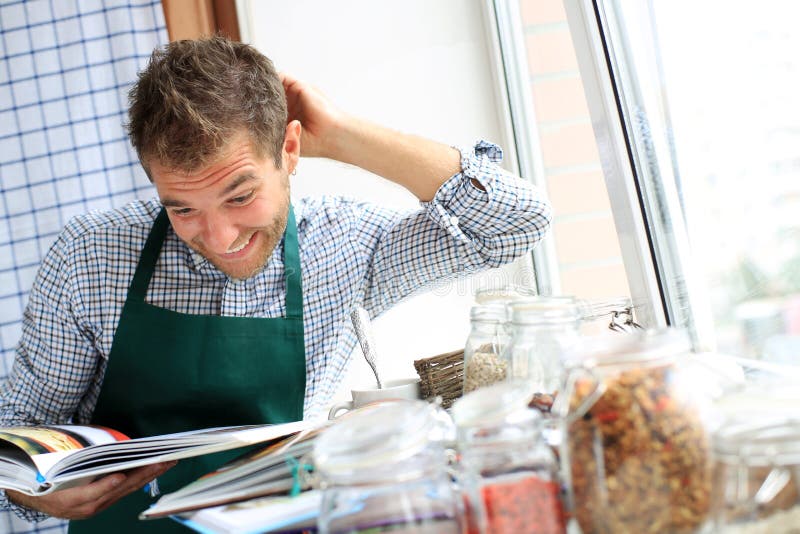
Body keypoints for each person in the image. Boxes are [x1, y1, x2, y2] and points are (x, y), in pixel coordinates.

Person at [0, 36, 552, 531]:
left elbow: (515, 220)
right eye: (183, 208)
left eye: (240, 196)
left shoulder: (345, 245)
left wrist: (339, 136)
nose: (218, 236)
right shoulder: (90, 256)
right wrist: (30, 493)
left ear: (289, 150)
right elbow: (17, 432)